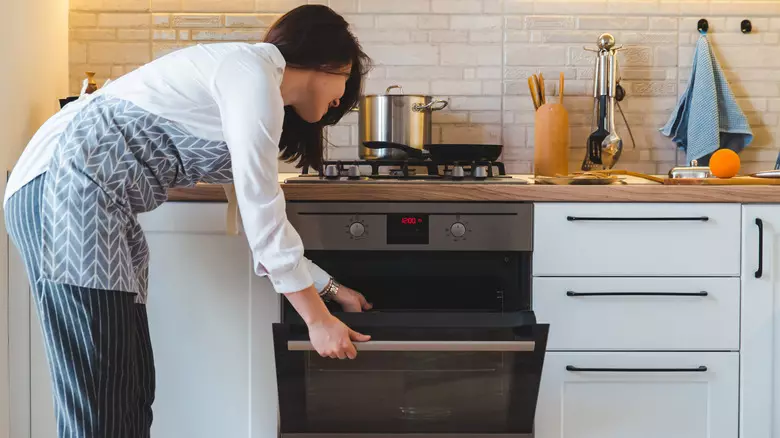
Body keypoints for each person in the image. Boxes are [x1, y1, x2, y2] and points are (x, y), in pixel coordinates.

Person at [3, 5, 372, 437]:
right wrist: (317, 320)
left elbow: (261, 231)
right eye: (347, 85)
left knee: (129, 391)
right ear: (334, 64)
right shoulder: (250, 75)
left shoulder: (251, 87)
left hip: (92, 204)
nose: (342, 102)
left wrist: (330, 290)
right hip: (65, 193)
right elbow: (265, 216)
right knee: (101, 399)